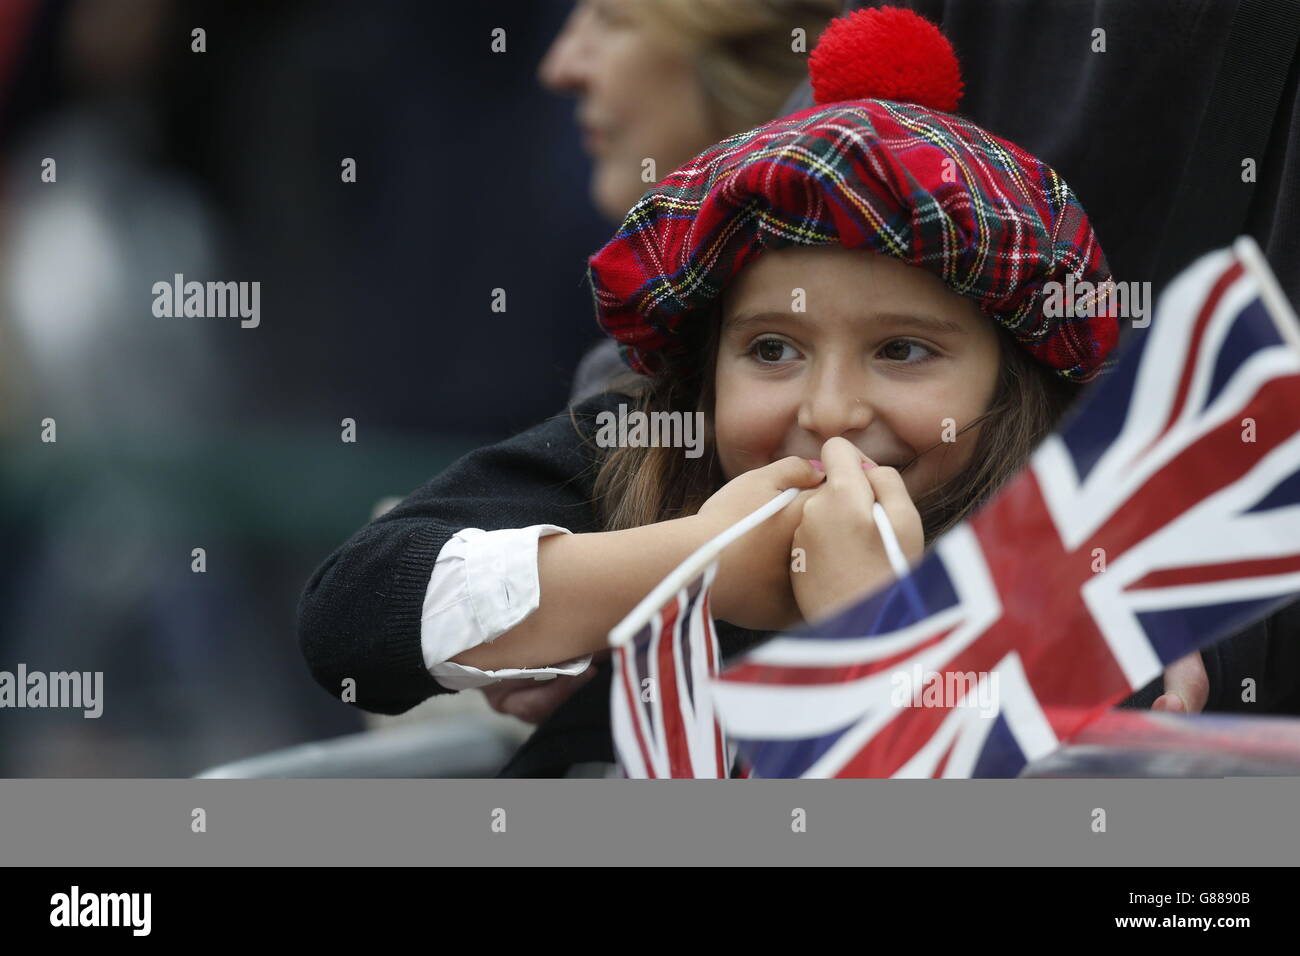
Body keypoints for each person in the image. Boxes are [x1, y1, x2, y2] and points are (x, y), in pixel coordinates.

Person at [297, 9, 1290, 777]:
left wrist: (883, 628)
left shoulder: (1079, 568)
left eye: (902, 350)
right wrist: (688, 563)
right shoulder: (655, 444)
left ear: (1008, 383)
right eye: (771, 349)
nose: (828, 411)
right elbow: (352, 614)